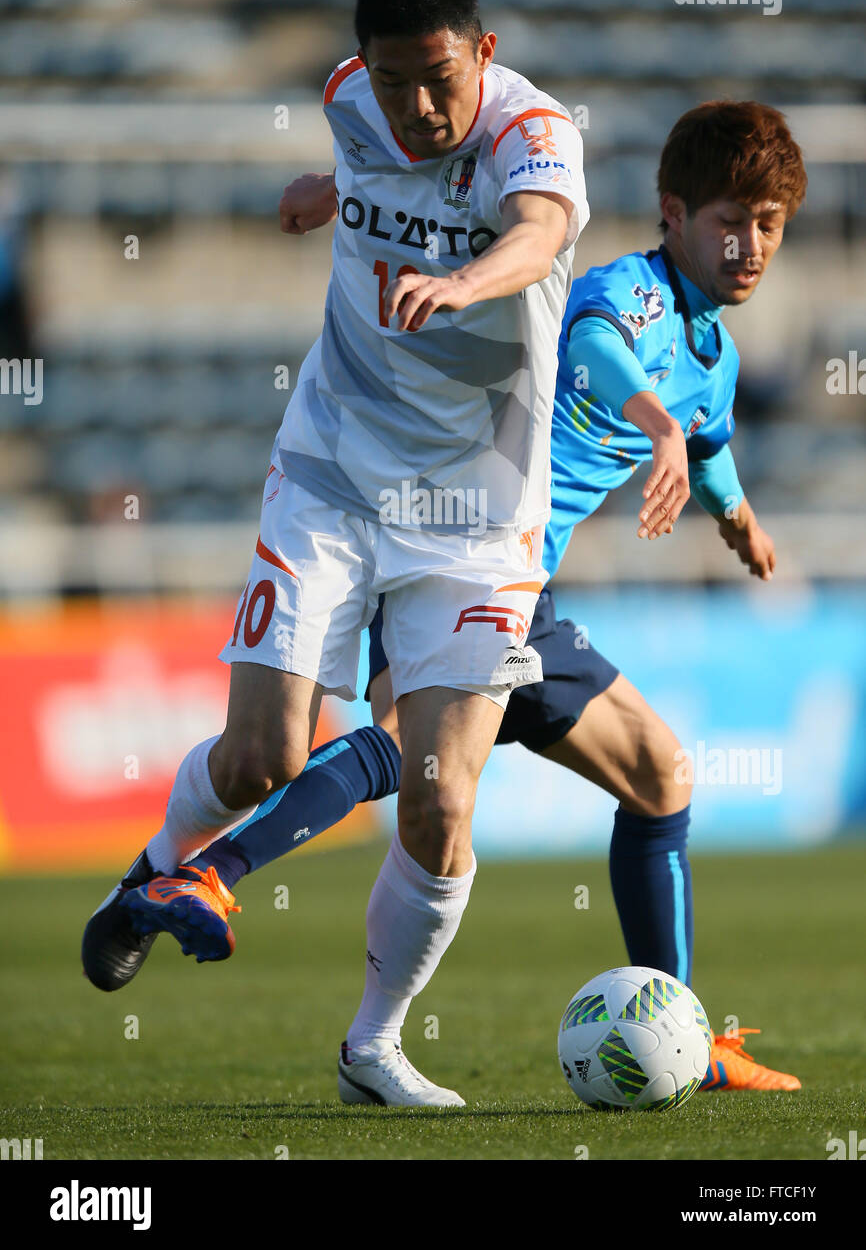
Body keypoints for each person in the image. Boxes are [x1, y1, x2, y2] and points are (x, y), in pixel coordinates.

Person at [86, 101, 806, 1103]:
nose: (748, 243)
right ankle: (207, 874)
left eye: (768, 223)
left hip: (527, 596)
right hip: (458, 549)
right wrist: (655, 427)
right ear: (672, 212)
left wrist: (738, 519)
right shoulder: (630, 292)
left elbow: (712, 433)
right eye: (731, 218)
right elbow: (593, 344)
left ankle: (684, 1027)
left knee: (658, 774)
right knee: (409, 759)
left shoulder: (713, 352)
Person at [81, 0, 590, 1109]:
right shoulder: (350, 97)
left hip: (477, 511)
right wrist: (327, 189)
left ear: (486, 51)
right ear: (367, 69)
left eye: (442, 79)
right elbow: (370, 167)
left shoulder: (534, 132)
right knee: (261, 752)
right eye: (398, 81)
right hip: (331, 476)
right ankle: (152, 878)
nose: (418, 107)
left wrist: (465, 284)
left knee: (439, 789)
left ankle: (373, 1046)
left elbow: (539, 230)